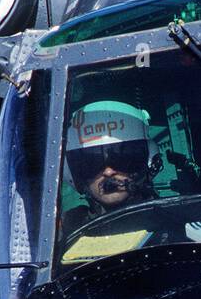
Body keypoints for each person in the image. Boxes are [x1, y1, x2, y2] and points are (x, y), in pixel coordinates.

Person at [61, 99, 162, 239]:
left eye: (122, 158)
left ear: (148, 161)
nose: (108, 172)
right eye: (91, 163)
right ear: (72, 173)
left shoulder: (173, 220)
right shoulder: (64, 230)